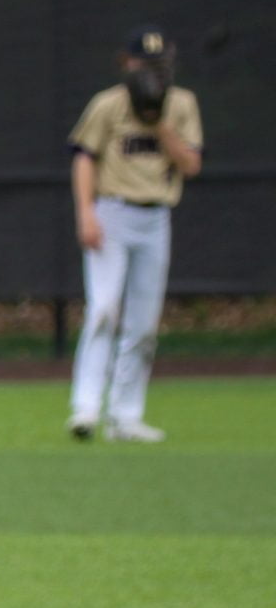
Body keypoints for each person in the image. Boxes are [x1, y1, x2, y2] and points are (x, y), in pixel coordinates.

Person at [65, 25, 204, 442]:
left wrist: (157, 122)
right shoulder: (108, 105)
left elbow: (192, 165)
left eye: (158, 65)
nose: (151, 73)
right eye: (144, 65)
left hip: (155, 216)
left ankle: (125, 416)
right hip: (112, 212)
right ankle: (86, 408)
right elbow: (84, 158)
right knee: (104, 308)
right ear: (126, 65)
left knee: (143, 323)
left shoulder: (181, 105)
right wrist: (86, 214)